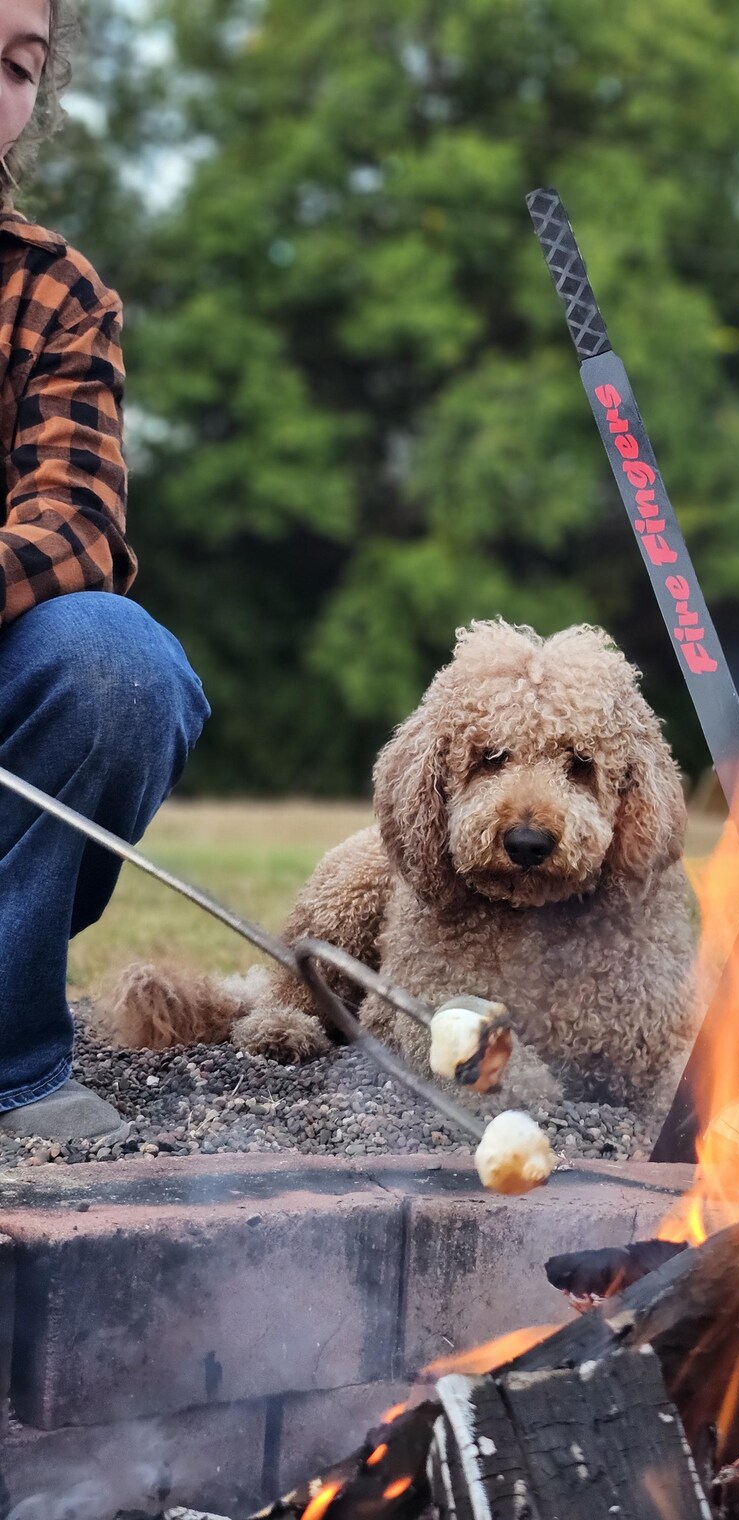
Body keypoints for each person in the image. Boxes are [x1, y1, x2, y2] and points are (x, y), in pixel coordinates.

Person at [0, 0, 209, 1144]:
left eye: (17, 67)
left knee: (120, 665)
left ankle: (9, 1063)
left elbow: (76, 526)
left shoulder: (55, 294)